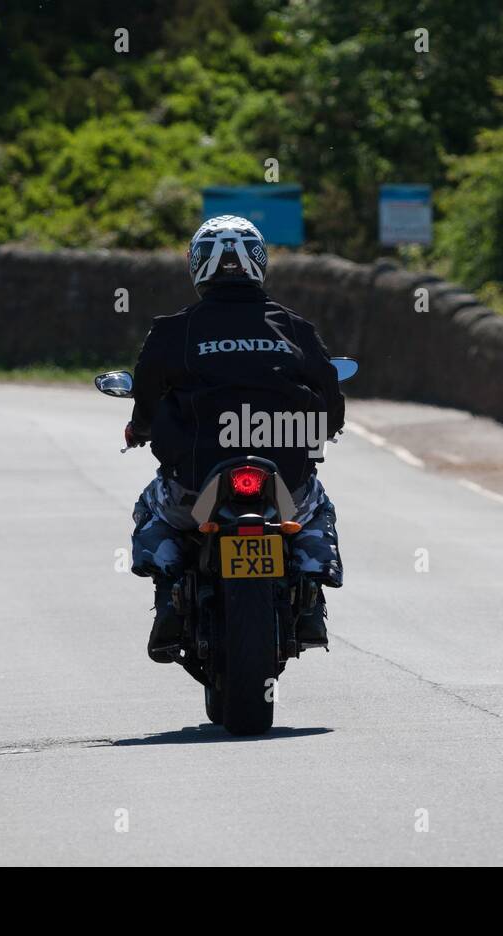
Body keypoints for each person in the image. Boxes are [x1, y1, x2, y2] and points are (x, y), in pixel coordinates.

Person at [125, 215, 346, 661]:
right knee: (318, 507)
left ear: (198, 266)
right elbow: (331, 403)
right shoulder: (295, 328)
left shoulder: (173, 331)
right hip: (287, 484)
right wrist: (326, 428)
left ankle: (169, 594)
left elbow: (147, 399)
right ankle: (310, 601)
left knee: (153, 508)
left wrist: (140, 430)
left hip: (192, 486)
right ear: (260, 264)